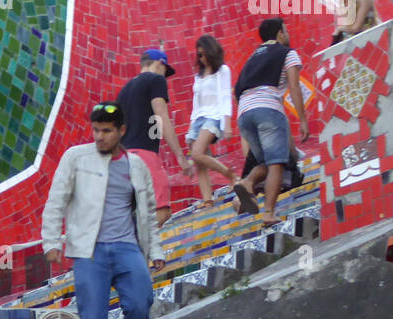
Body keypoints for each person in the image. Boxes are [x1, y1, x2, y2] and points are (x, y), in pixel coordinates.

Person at [40, 103, 164, 319]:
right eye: (95, 130)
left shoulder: (136, 165)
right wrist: (51, 241)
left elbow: (148, 213)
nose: (99, 136)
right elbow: (56, 199)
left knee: (140, 303)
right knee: (93, 317)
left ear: (121, 131)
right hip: (89, 250)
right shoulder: (75, 157)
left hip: (127, 247)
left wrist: (156, 249)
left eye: (106, 131)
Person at [234, 18, 309, 228]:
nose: (288, 34)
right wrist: (303, 120)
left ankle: (246, 183)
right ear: (280, 33)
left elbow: (237, 90)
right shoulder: (287, 53)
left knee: (266, 163)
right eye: (286, 30)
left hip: (244, 112)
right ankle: (268, 213)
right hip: (267, 108)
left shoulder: (252, 58)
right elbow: (294, 87)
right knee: (277, 162)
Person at [115, 48, 190, 227]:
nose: (165, 76)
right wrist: (180, 156)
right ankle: (137, 244)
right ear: (159, 63)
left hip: (122, 158)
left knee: (134, 215)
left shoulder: (123, 91)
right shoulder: (156, 80)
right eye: (165, 70)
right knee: (161, 212)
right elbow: (161, 116)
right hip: (144, 155)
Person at [186, 35, 256, 213]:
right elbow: (196, 102)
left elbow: (225, 96)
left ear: (211, 51)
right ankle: (207, 201)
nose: (202, 58)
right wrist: (191, 126)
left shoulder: (222, 70)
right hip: (198, 118)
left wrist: (227, 123)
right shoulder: (198, 76)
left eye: (204, 54)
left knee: (197, 153)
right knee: (199, 161)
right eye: (199, 55)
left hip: (213, 116)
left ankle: (230, 174)